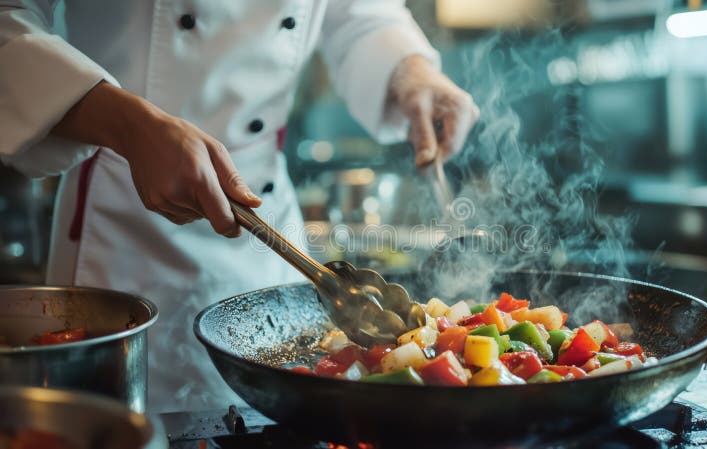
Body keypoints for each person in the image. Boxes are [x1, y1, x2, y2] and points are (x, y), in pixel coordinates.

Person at [0, 1, 478, 411]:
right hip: (122, 227)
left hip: (267, 236)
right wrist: (128, 125)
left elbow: (359, 14)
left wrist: (412, 71)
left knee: (277, 417)